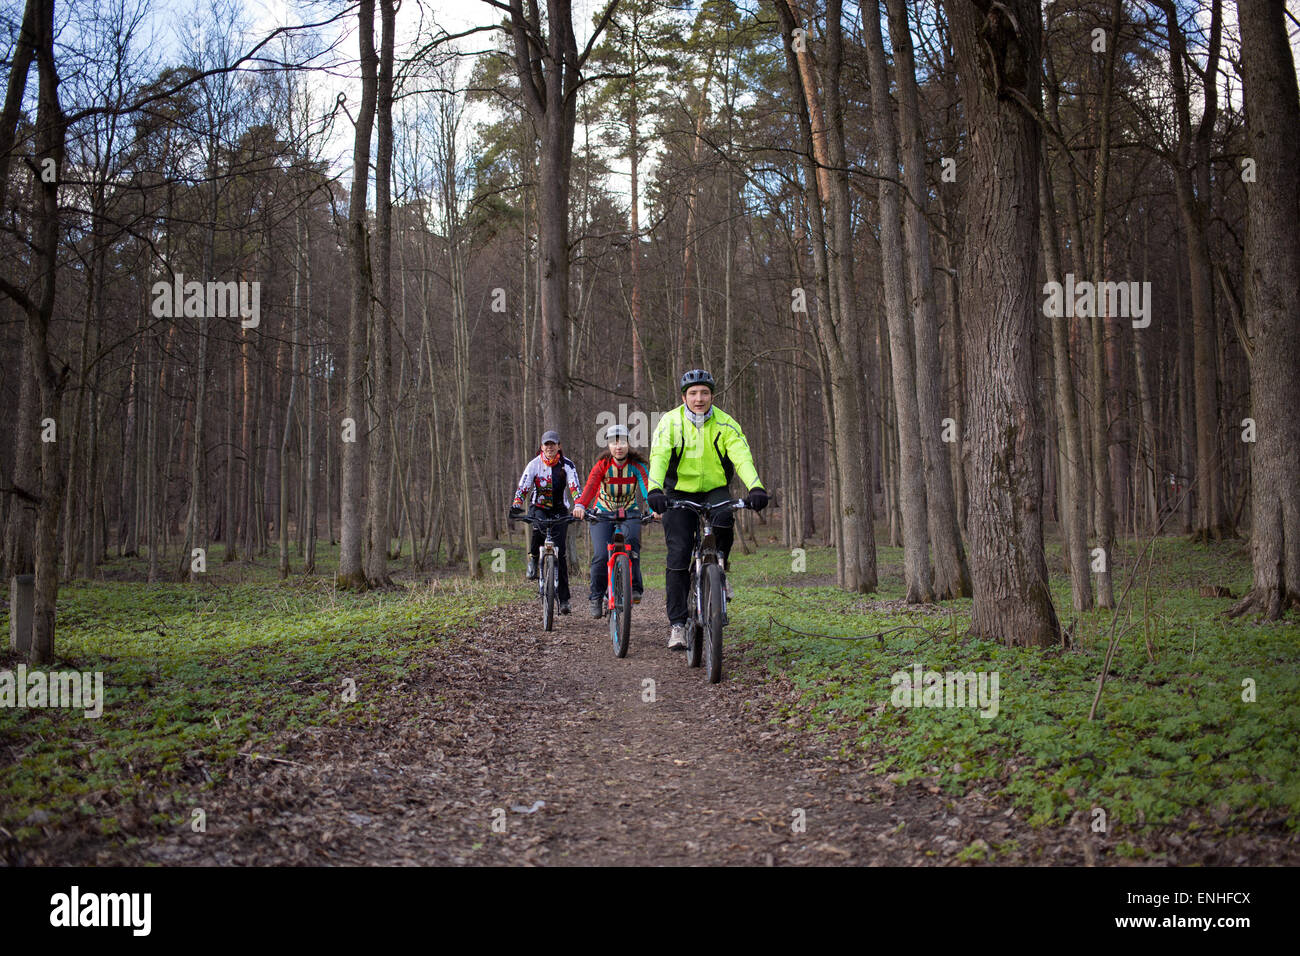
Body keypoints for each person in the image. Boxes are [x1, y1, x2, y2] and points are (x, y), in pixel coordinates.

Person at [646, 370, 768, 650]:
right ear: (683, 397)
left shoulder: (726, 423)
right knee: (678, 554)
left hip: (714, 488)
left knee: (725, 517)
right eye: (693, 393)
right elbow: (659, 456)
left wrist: (755, 487)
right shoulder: (670, 423)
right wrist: (654, 490)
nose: (699, 399)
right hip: (678, 490)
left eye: (704, 393)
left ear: (712, 395)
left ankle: (720, 567)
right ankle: (677, 625)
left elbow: (741, 456)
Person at [573, 424, 654, 618]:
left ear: (628, 444)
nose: (618, 446)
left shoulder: (637, 466)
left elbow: (647, 488)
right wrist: (581, 506)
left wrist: (653, 509)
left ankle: (634, 588)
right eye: (613, 442)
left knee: (632, 546)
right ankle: (596, 596)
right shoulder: (602, 465)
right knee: (601, 554)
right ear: (608, 445)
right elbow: (591, 487)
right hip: (603, 513)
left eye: (622, 442)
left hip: (629, 512)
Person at [510, 430, 582, 615]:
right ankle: (533, 559)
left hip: (559, 509)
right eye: (546, 444)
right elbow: (524, 485)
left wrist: (579, 505)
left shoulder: (567, 465)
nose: (549, 447)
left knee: (561, 554)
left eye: (553, 444)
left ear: (558, 446)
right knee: (537, 527)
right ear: (541, 447)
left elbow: (575, 487)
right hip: (539, 507)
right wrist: (517, 504)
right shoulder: (534, 464)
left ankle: (564, 599)